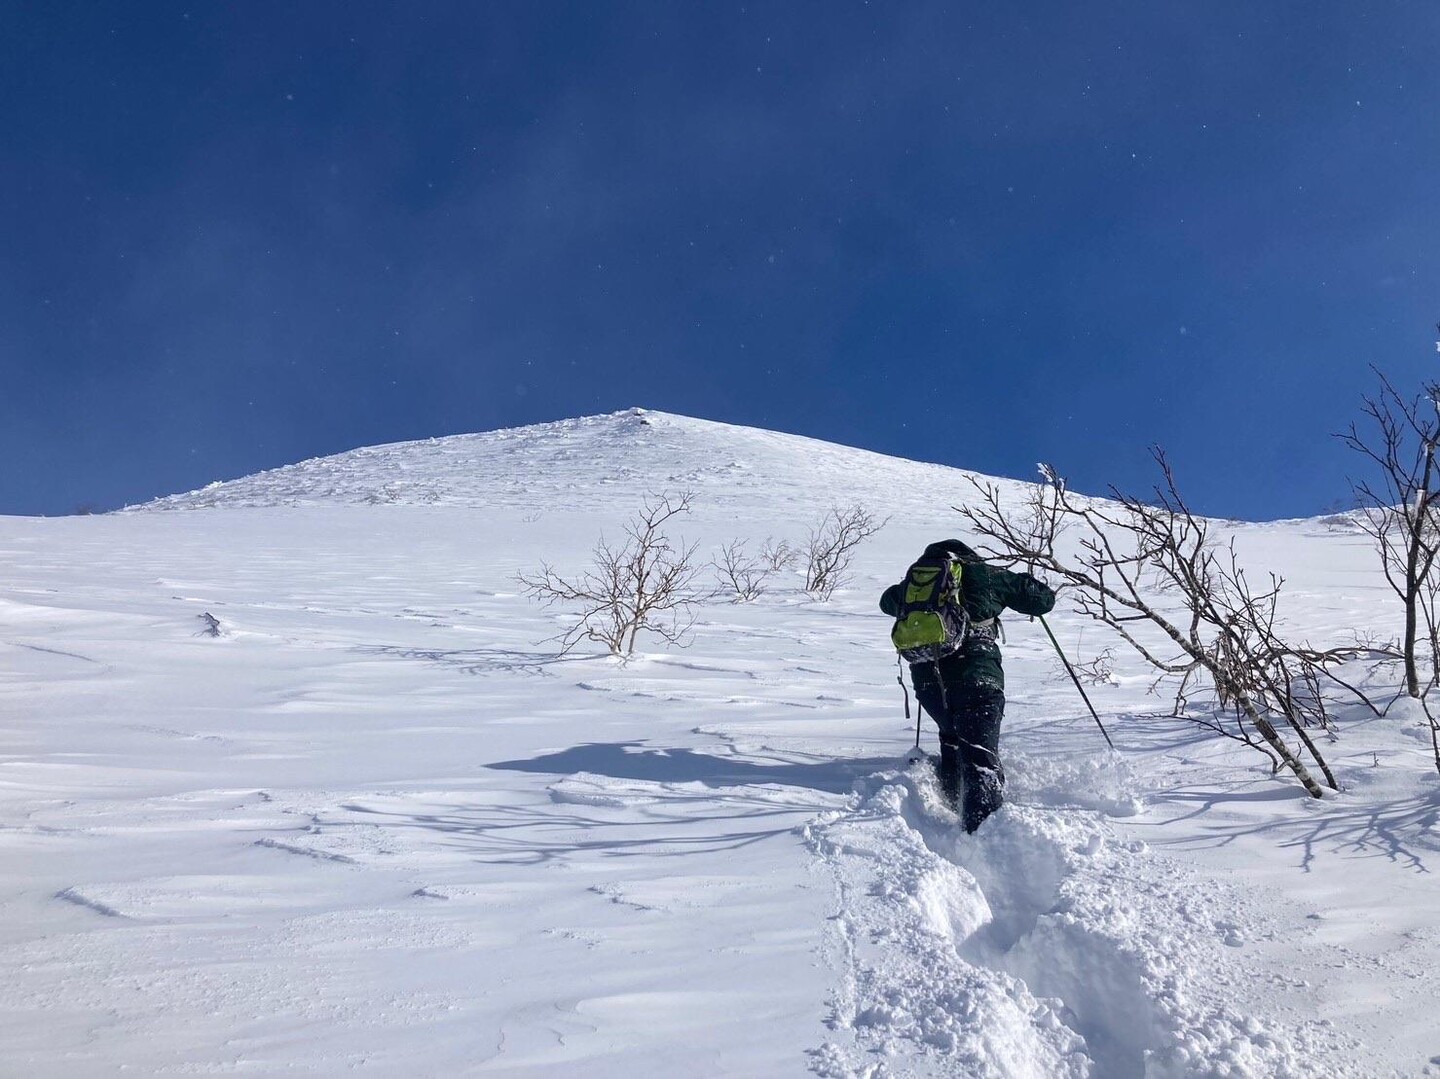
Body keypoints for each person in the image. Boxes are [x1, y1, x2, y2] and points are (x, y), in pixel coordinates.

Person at [879, 539, 1055, 832]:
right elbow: (1042, 601)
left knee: (952, 738)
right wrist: (1026, 581)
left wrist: (918, 590)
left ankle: (949, 812)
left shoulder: (915, 583)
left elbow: (886, 602)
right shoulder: (985, 575)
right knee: (978, 755)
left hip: (929, 683)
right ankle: (982, 838)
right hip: (977, 676)